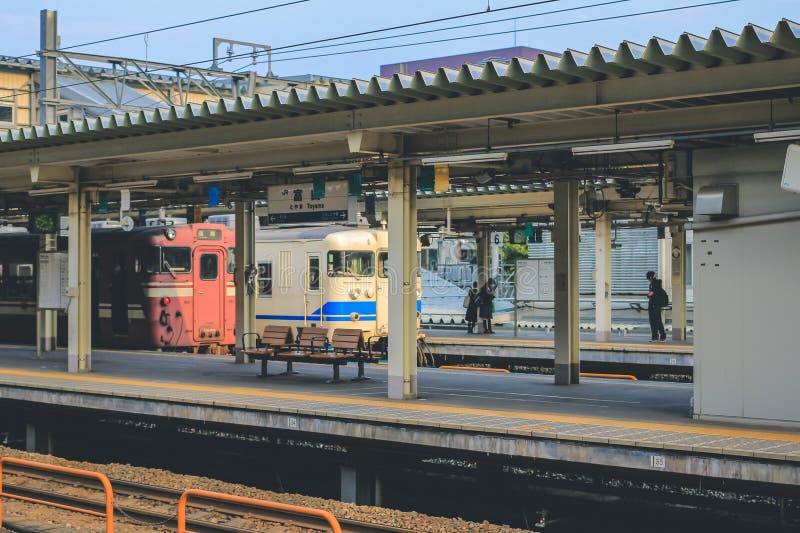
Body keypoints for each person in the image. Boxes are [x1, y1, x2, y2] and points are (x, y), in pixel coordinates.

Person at [646, 270, 667, 342]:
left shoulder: (655, 283)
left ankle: (661, 336)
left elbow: (651, 293)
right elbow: (651, 294)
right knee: (654, 321)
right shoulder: (653, 283)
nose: (648, 279)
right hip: (653, 304)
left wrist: (649, 295)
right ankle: (656, 337)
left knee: (657, 321)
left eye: (648, 278)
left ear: (650, 277)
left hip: (655, 304)